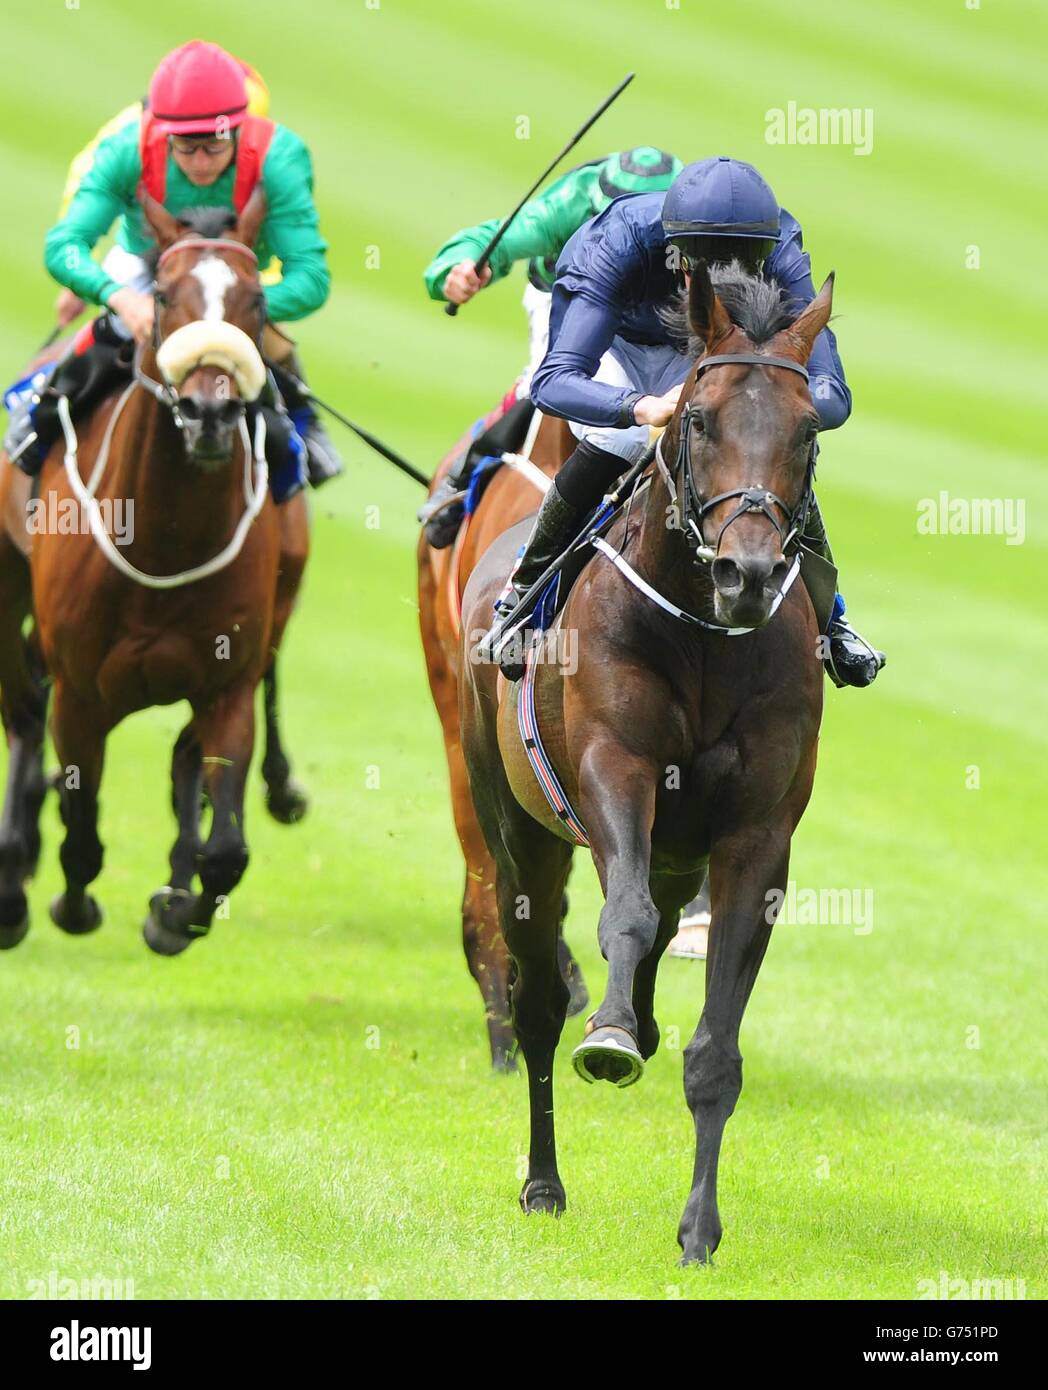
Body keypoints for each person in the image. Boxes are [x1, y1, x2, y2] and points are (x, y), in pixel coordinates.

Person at [481, 155, 885, 689]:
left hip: (714, 347)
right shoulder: (618, 242)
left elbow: (833, 391)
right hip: (618, 343)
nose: (726, 275)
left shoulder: (781, 246)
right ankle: (524, 597)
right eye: (710, 261)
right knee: (617, 439)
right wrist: (640, 406)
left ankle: (832, 621)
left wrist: (785, 412)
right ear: (678, 249)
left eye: (743, 263)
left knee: (764, 446)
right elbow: (554, 380)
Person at [4, 40, 340, 491]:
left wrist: (236, 309)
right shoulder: (127, 150)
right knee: (113, 330)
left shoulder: (280, 158)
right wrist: (117, 297)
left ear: (239, 129)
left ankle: (305, 428)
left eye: (215, 145)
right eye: (186, 147)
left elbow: (311, 277)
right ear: (162, 133)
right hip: (148, 269)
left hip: (234, 281)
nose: (201, 161)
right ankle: (42, 411)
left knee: (276, 350)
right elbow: (65, 245)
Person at [418, 147, 682, 547]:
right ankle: (464, 471)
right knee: (551, 377)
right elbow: (494, 240)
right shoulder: (570, 203)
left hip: (647, 312)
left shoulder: (693, 214)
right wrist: (454, 271)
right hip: (567, 294)